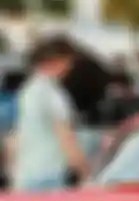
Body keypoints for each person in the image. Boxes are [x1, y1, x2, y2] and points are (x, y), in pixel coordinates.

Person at [5, 35, 89, 192]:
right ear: (58, 60)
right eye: (69, 62)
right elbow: (66, 137)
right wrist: (85, 172)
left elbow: (15, 138)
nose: (70, 67)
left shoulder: (27, 91)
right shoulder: (54, 94)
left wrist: (12, 172)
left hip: (25, 173)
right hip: (50, 175)